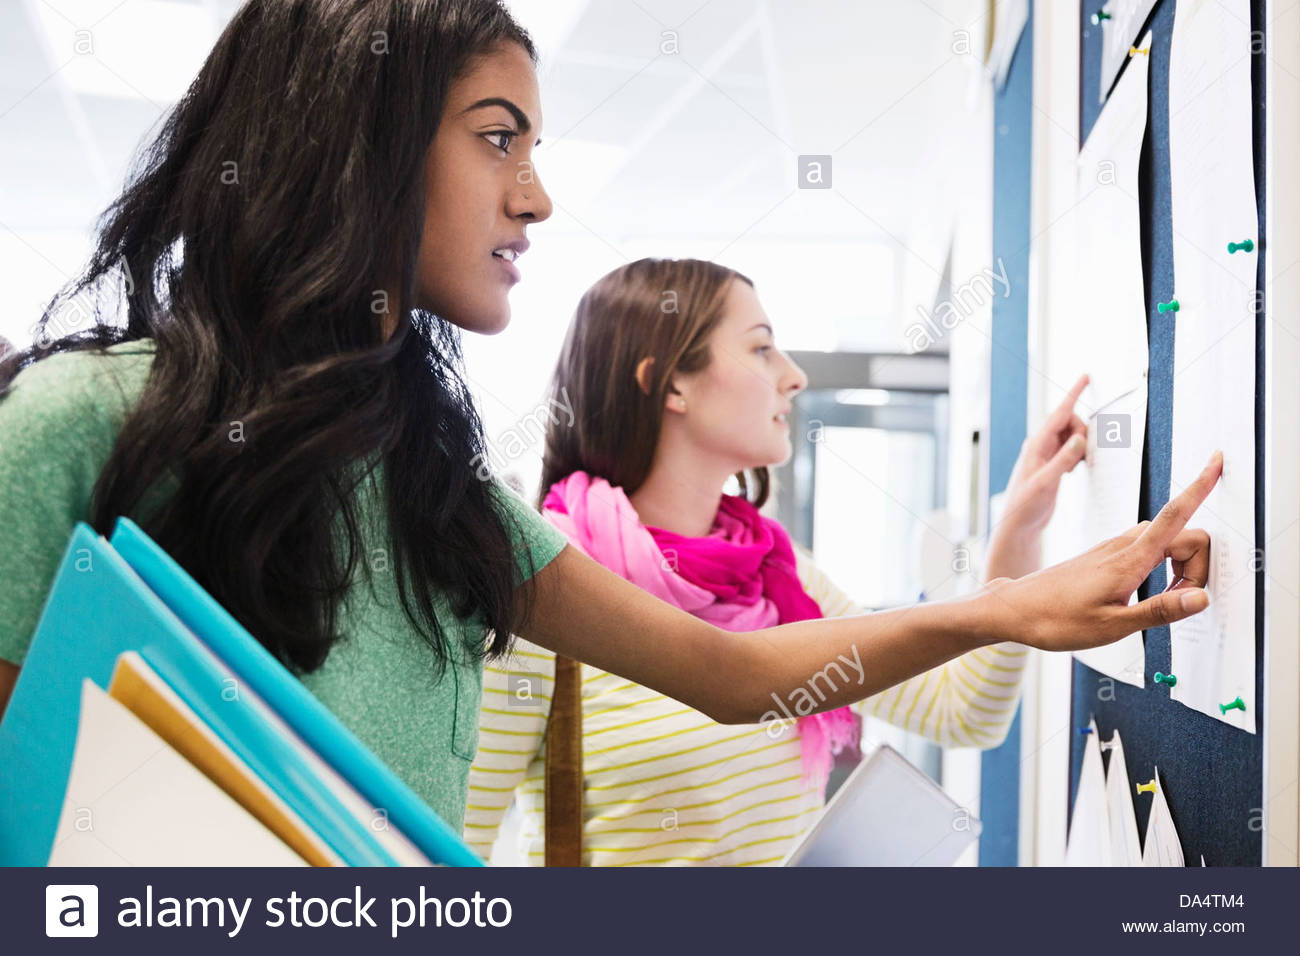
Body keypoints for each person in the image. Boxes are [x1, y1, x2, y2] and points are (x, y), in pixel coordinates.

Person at [0, 0, 1220, 840]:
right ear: (357, 146)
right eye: (497, 141)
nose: (535, 199)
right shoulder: (82, 426)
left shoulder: (440, 497)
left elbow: (730, 676)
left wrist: (1009, 595)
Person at [465, 259, 1090, 865]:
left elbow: (965, 712)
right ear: (673, 384)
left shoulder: (780, 578)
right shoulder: (548, 592)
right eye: (761, 348)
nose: (793, 376)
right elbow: (447, 858)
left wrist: (1020, 526)